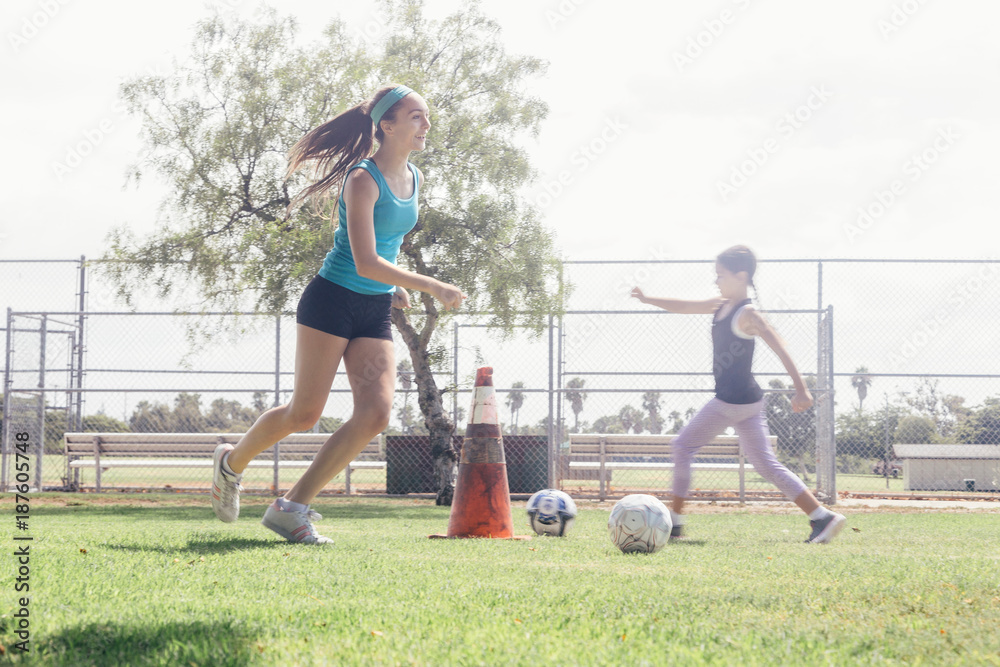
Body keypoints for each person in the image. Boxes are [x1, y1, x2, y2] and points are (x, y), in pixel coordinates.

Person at [210, 84, 466, 544]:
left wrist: (391, 291)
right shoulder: (362, 179)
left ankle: (291, 508)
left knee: (375, 413)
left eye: (426, 117)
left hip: (372, 307)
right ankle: (231, 462)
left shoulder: (415, 177)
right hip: (331, 300)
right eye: (416, 117)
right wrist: (430, 285)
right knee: (304, 413)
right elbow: (364, 260)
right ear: (387, 126)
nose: (426, 125)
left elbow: (385, 246)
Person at [630, 245, 845, 543]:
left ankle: (675, 525)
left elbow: (779, 345)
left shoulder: (747, 313)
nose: (716, 281)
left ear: (740, 275)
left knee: (682, 447)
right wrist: (647, 298)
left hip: (730, 402)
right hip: (749, 404)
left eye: (721, 275)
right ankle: (823, 517)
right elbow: (683, 305)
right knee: (767, 465)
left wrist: (801, 389)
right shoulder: (721, 305)